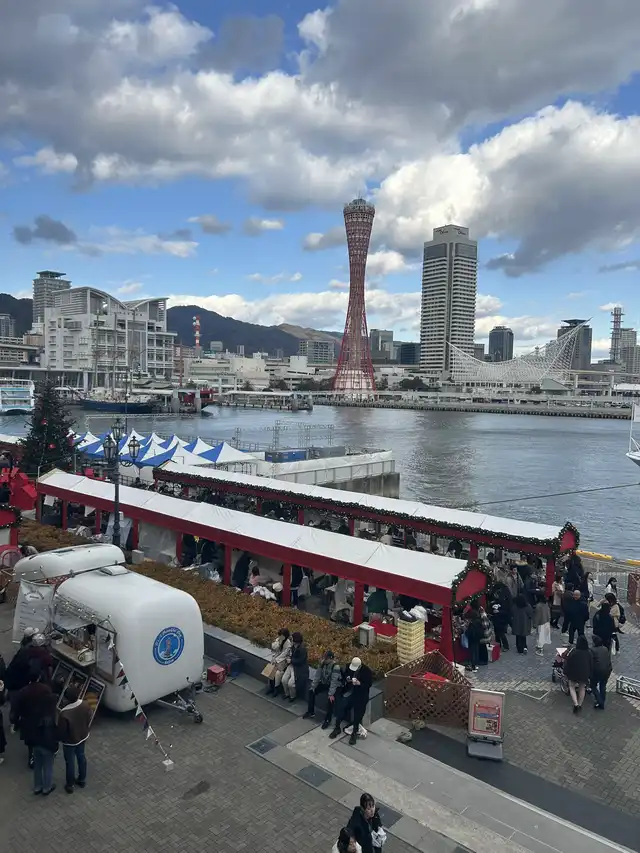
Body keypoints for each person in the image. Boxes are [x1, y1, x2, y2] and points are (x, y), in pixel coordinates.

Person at [11, 664, 55, 777]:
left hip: (28, 720)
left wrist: (15, 721)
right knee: (42, 737)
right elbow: (51, 703)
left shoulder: (23, 691)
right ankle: (43, 754)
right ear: (39, 677)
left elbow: (17, 708)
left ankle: (32, 758)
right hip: (42, 719)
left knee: (31, 741)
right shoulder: (46, 689)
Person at [330, 657, 373, 745]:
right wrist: (348, 679)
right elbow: (344, 677)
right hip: (350, 692)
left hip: (360, 695)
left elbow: (368, 684)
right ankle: (337, 728)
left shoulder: (366, 671)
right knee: (341, 708)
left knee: (358, 714)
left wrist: (359, 683)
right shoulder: (348, 667)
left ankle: (354, 733)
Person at [58, 686, 93, 793]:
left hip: (70, 741)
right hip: (82, 736)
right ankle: (82, 780)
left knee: (70, 762)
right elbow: (89, 717)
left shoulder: (64, 713)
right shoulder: (85, 704)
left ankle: (70, 785)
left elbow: (62, 731)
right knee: (81, 756)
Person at [303, 650, 343, 728]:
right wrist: (313, 687)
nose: (325, 660)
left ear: (331, 658)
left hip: (334, 686)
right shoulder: (322, 664)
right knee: (311, 692)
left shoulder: (336, 667)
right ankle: (310, 712)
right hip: (325, 683)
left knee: (331, 700)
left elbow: (334, 682)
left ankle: (328, 719)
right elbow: (317, 676)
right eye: (324, 658)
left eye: (326, 659)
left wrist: (330, 694)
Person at [31, 691, 59, 796]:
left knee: (37, 766)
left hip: (36, 744)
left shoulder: (36, 713)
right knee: (48, 767)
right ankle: (46, 788)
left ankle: (37, 787)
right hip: (47, 747)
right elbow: (52, 735)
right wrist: (54, 747)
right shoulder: (51, 718)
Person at [563, 635, 592, 714]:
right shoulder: (589, 652)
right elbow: (591, 663)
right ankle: (580, 705)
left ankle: (575, 704)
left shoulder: (574, 652)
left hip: (574, 673)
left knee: (571, 686)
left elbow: (568, 662)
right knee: (582, 688)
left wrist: (566, 671)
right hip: (584, 673)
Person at [282, 632, 308, 703]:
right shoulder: (292, 647)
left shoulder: (303, 649)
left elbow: (301, 661)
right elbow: (289, 654)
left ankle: (292, 696)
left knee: (291, 684)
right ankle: (287, 693)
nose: (291, 640)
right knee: (284, 680)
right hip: (291, 665)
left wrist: (291, 660)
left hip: (298, 668)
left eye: (292, 639)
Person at [266, 628, 291, 696]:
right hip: (276, 659)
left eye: (282, 636)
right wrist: (278, 643)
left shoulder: (288, 644)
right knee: (270, 670)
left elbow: (284, 654)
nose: (280, 637)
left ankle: (276, 689)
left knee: (277, 674)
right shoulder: (278, 640)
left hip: (282, 661)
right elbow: (273, 647)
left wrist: (276, 660)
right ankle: (271, 687)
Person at [590, 636, 612, 711]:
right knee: (603, 686)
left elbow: (591, 661)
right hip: (607, 670)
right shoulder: (605, 648)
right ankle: (602, 701)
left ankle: (600, 701)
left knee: (593, 685)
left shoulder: (592, 650)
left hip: (598, 671)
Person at [463, 606, 484, 671]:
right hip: (477, 639)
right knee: (476, 651)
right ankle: (475, 664)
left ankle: (473, 666)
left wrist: (465, 632)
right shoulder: (479, 621)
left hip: (472, 639)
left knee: (472, 652)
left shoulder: (472, 623)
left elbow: (469, 632)